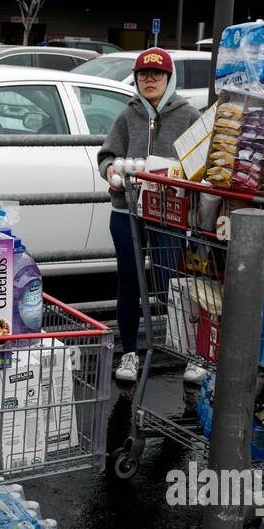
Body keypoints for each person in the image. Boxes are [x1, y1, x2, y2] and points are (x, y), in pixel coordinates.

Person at [96, 47, 203, 385]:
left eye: (157, 74)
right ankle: (129, 352)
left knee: (173, 283)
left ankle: (190, 354)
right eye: (143, 74)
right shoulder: (127, 115)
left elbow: (203, 161)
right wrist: (110, 167)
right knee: (128, 280)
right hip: (125, 209)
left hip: (167, 212)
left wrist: (186, 178)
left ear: (169, 79)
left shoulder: (188, 115)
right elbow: (107, 154)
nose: (150, 79)